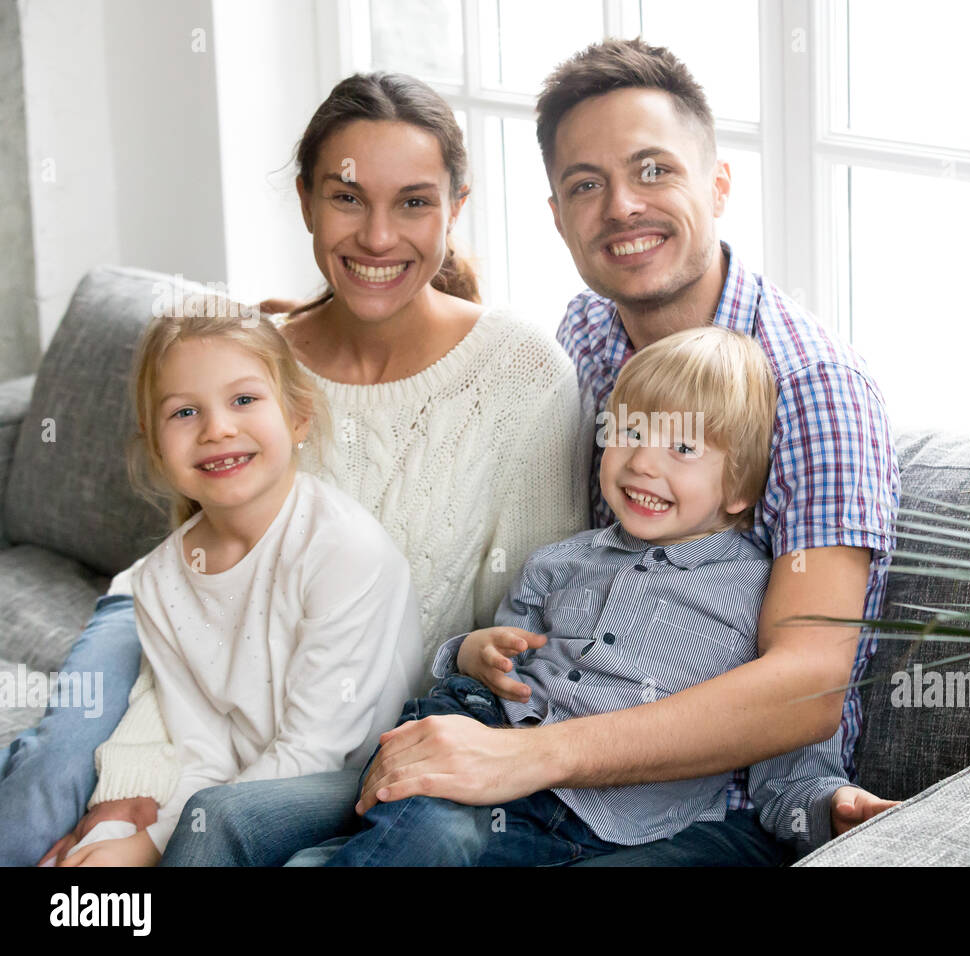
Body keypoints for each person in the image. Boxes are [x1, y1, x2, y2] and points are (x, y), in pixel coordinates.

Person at [0, 71, 587, 867]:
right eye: (347, 198)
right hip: (171, 620)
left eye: (414, 201)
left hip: (353, 700)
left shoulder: (525, 370)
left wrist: (153, 823)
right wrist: (120, 809)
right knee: (50, 775)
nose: (378, 238)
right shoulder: (259, 359)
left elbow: (536, 616)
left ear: (456, 205)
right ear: (307, 200)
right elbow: (200, 577)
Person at [346, 38, 901, 866]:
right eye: (586, 185)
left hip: (722, 806)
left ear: (716, 184)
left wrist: (526, 757)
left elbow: (806, 687)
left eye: (653, 171)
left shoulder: (812, 388)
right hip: (542, 769)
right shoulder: (588, 335)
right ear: (559, 215)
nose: (620, 208)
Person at [284, 326, 895, 866]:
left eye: (682, 448)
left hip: (611, 825)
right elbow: (501, 663)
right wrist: (473, 651)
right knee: (435, 819)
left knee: (411, 845)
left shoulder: (755, 593)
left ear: (739, 487)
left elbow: (782, 745)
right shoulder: (560, 559)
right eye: (629, 432)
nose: (642, 464)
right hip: (487, 747)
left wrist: (828, 804)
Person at [52, 310, 425, 866]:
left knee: (192, 838)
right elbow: (199, 750)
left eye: (244, 400)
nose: (217, 428)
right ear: (155, 447)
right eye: (184, 412)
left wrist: (153, 846)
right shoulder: (158, 582)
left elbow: (316, 751)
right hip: (234, 795)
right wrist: (121, 844)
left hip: (353, 790)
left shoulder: (342, 550)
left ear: (298, 418)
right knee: (85, 865)